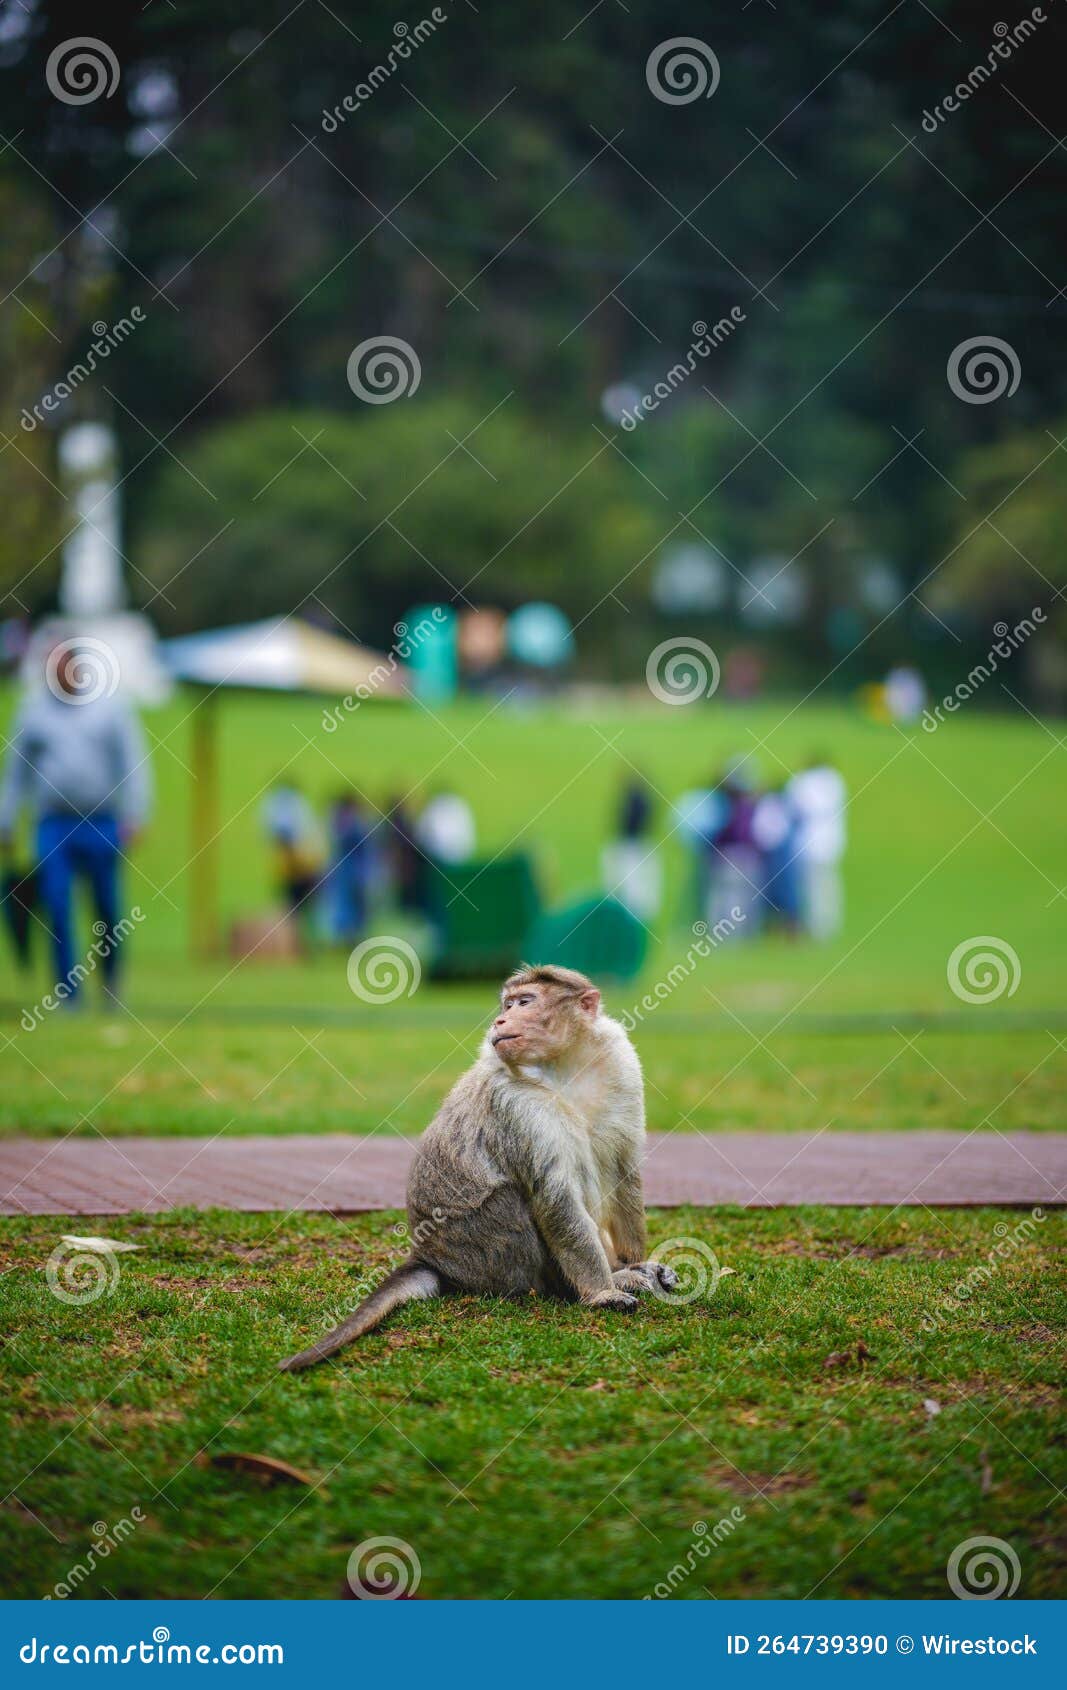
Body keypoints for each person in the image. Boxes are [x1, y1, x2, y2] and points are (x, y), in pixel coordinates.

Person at [0, 643, 151, 1006]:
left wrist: (137, 813)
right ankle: (69, 993)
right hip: (53, 824)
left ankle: (110, 983)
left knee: (106, 907)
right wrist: (5, 820)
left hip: (101, 821)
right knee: (56, 902)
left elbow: (132, 762)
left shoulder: (112, 708)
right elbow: (17, 771)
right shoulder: (33, 711)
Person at [787, 754, 847, 939]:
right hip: (832, 843)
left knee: (810, 888)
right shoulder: (835, 781)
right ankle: (827, 925)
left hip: (808, 843)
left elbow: (794, 808)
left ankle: (816, 927)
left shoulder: (803, 782)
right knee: (828, 886)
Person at [601, 776, 662, 921]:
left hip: (631, 844)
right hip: (637, 843)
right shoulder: (644, 800)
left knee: (630, 884)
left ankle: (629, 912)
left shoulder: (634, 802)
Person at [260, 780, 324, 918]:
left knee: (299, 906)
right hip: (297, 867)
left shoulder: (280, 806)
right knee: (297, 906)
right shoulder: (296, 806)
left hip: (301, 867)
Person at [321, 790, 376, 944]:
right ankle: (351, 937)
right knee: (349, 905)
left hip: (349, 870)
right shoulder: (353, 821)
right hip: (352, 871)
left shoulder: (341, 820)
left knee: (351, 905)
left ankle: (352, 936)